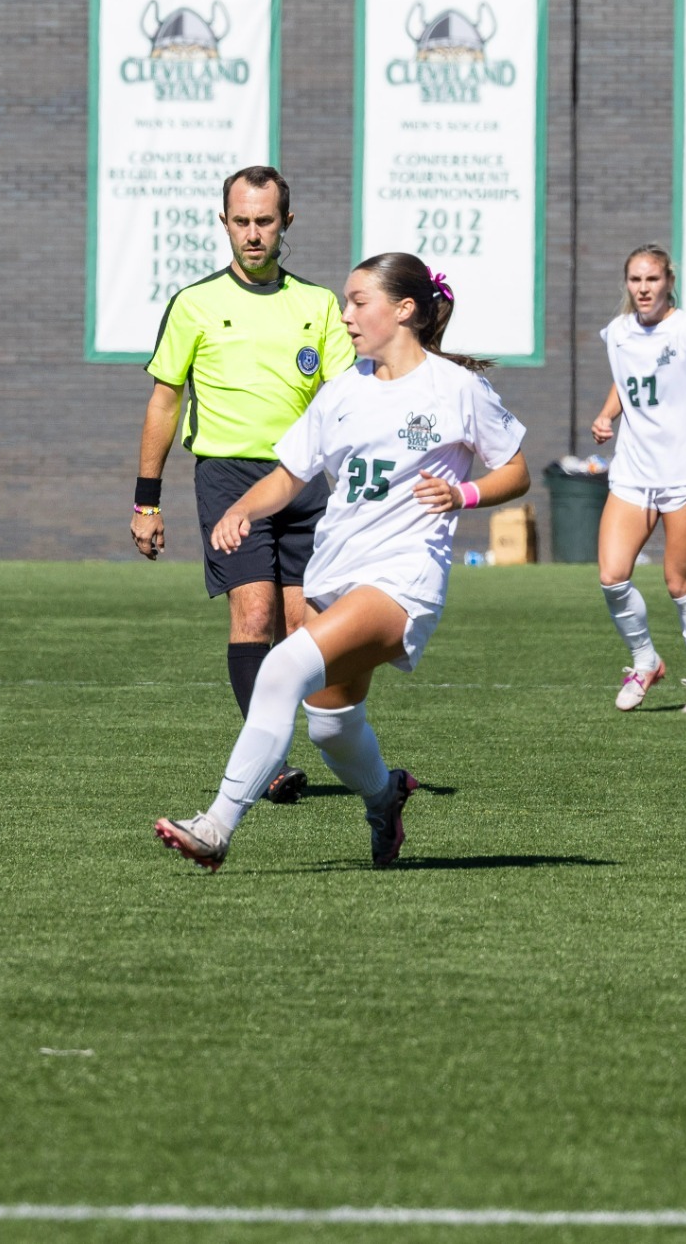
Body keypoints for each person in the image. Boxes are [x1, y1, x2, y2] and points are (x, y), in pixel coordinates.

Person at [153, 252, 529, 871]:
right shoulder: (343, 389)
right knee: (331, 725)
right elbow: (289, 473)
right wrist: (241, 509)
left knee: (281, 669)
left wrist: (465, 493)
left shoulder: (454, 388)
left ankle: (216, 826)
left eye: (359, 301)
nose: (346, 314)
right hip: (335, 574)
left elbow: (514, 469)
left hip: (402, 579)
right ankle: (386, 800)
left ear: (404, 309)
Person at [131, 166, 356, 804]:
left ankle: (329, 743)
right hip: (229, 478)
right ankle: (272, 765)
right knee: (253, 613)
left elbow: (346, 401)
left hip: (305, 480)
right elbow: (163, 403)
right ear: (224, 223)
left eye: (264, 221)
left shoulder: (318, 306)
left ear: (287, 221)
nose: (252, 234)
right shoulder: (195, 303)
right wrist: (146, 499)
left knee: (305, 627)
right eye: (241, 221)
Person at [589, 244, 686, 714]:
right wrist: (606, 415)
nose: (643, 289)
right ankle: (646, 662)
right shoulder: (617, 333)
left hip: (685, 474)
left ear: (668, 282)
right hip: (634, 473)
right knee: (612, 576)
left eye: (652, 280)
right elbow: (627, 378)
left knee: (679, 583)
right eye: (635, 280)